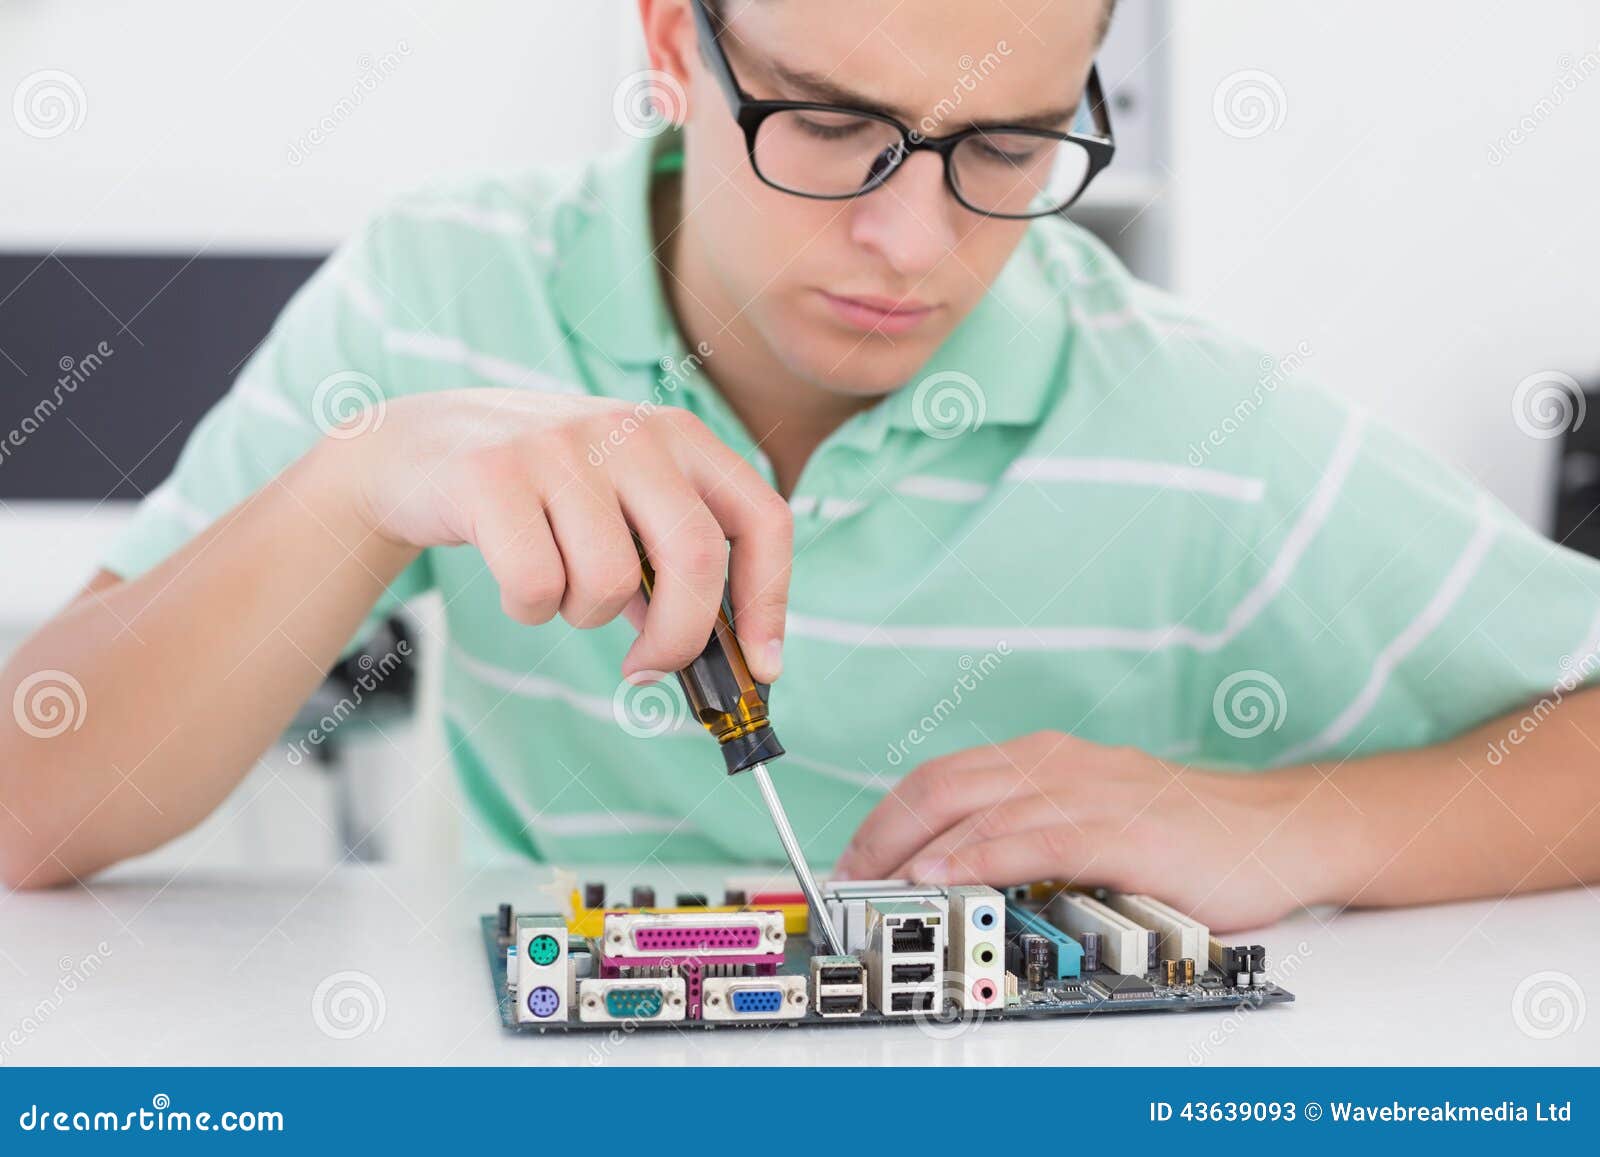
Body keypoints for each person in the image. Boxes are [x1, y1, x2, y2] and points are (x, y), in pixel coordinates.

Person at [3, 0, 1597, 933]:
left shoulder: (1206, 430)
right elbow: (28, 799)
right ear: (669, 43)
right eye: (832, 125)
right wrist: (361, 481)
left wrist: (1289, 824)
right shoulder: (439, 298)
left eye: (1008, 147)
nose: (912, 243)